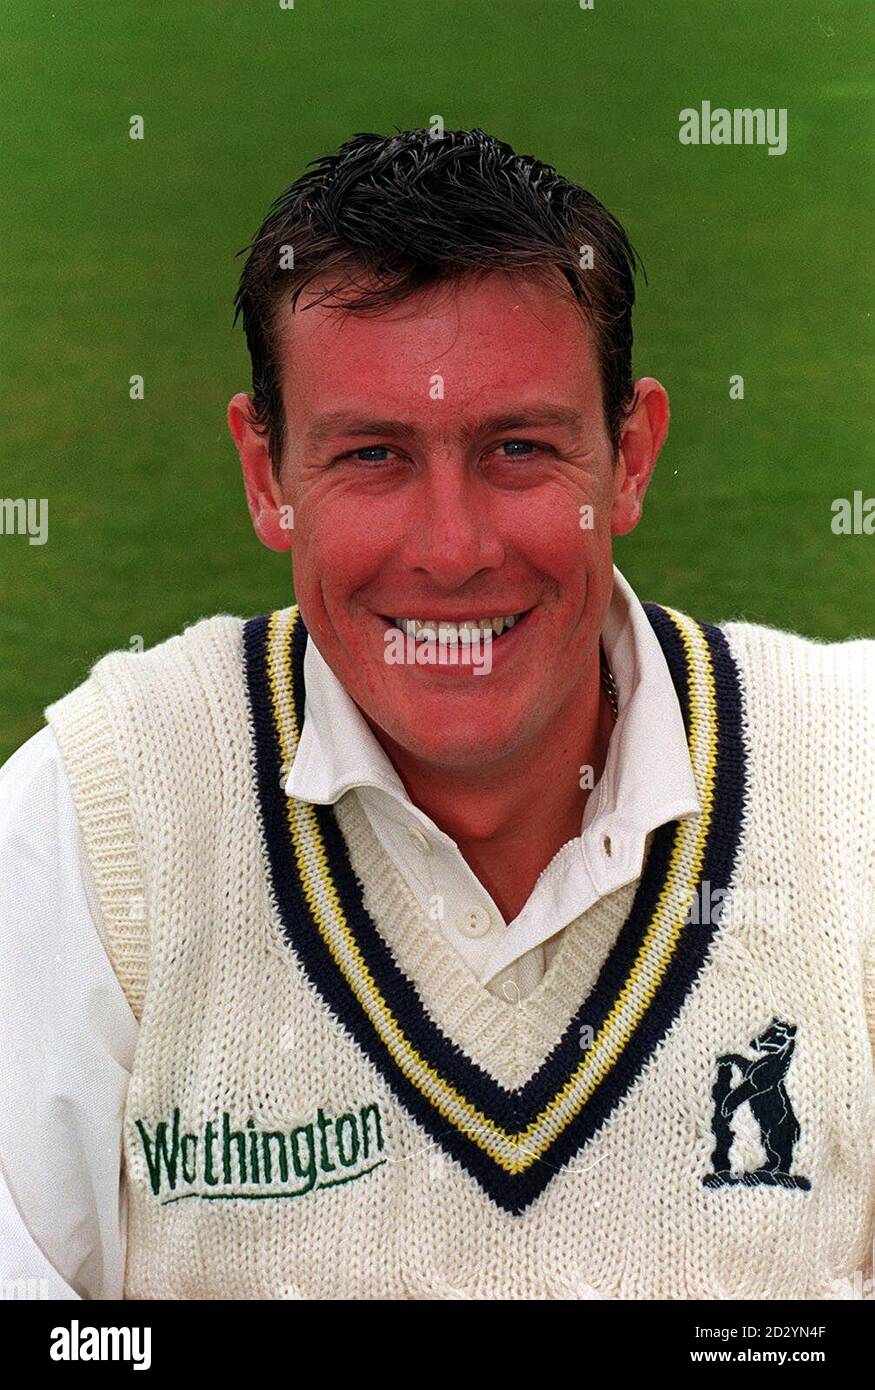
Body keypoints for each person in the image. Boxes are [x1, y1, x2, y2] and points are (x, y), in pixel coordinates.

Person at [1, 128, 872, 1300]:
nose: (451, 549)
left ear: (629, 453)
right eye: (371, 455)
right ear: (267, 477)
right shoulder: (99, 813)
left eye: (517, 448)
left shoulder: (846, 779)